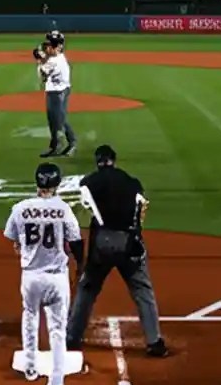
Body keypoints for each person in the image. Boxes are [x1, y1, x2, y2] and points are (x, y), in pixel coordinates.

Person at [67, 144, 168, 358]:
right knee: (142, 291)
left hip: (103, 243)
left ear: (98, 161)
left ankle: (72, 337)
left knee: (88, 289)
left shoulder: (90, 181)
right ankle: (154, 341)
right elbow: (140, 212)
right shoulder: (133, 183)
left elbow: (85, 198)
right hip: (129, 242)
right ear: (115, 160)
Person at [4, 162, 84, 385]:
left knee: (29, 316)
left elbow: (14, 242)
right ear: (57, 184)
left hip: (30, 276)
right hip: (57, 276)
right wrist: (80, 267)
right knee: (58, 331)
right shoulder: (64, 208)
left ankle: (30, 366)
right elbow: (76, 241)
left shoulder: (20, 208)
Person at [38, 31, 76, 158]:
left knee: (60, 119)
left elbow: (43, 76)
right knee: (53, 120)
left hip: (59, 92)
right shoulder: (56, 58)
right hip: (54, 90)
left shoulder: (55, 61)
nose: (48, 47)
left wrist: (40, 59)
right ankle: (55, 146)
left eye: (51, 44)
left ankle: (71, 143)